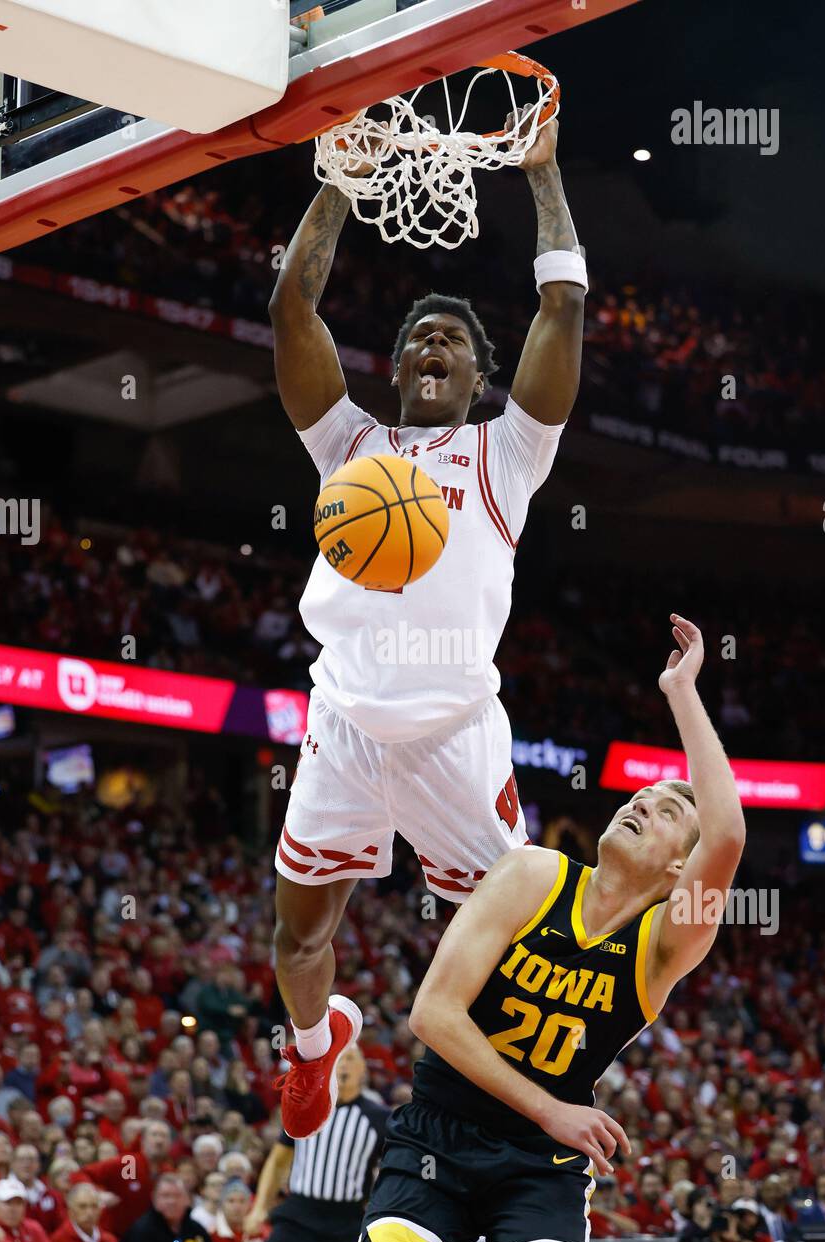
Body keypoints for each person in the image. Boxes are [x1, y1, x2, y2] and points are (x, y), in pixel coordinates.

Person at [267, 105, 587, 1138]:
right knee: (296, 936)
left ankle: (486, 1111)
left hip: (455, 730)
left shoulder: (504, 456)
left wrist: (539, 171)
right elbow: (290, 311)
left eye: (450, 336)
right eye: (415, 337)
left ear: (477, 375)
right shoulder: (350, 445)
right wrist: (341, 182)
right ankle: (315, 1053)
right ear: (398, 368)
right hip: (347, 723)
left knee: (503, 940)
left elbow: (563, 311)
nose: (430, 343)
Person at [352, 616, 747, 1242]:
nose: (639, 804)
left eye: (664, 812)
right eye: (639, 797)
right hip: (439, 1135)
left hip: (540, 1165)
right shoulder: (534, 875)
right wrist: (549, 1109)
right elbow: (433, 1013)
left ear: (682, 862)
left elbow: (729, 834)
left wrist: (680, 690)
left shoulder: (663, 947)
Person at [243, 1047, 386, 1242]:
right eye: (338, 1059)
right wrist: (258, 1209)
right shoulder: (306, 1106)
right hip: (297, 1219)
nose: (343, 1065)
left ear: (363, 1069)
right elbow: (278, 1161)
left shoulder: (379, 1118)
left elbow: (392, 1169)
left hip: (345, 1228)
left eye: (351, 1058)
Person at [70, 1117, 173, 1236]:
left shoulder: (168, 1171)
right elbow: (81, 1173)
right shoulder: (129, 1163)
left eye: (164, 1136)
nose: (159, 1140)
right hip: (119, 1236)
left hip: (152, 1237)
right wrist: (97, 1195)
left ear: (170, 1143)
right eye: (154, 1135)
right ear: (143, 1141)